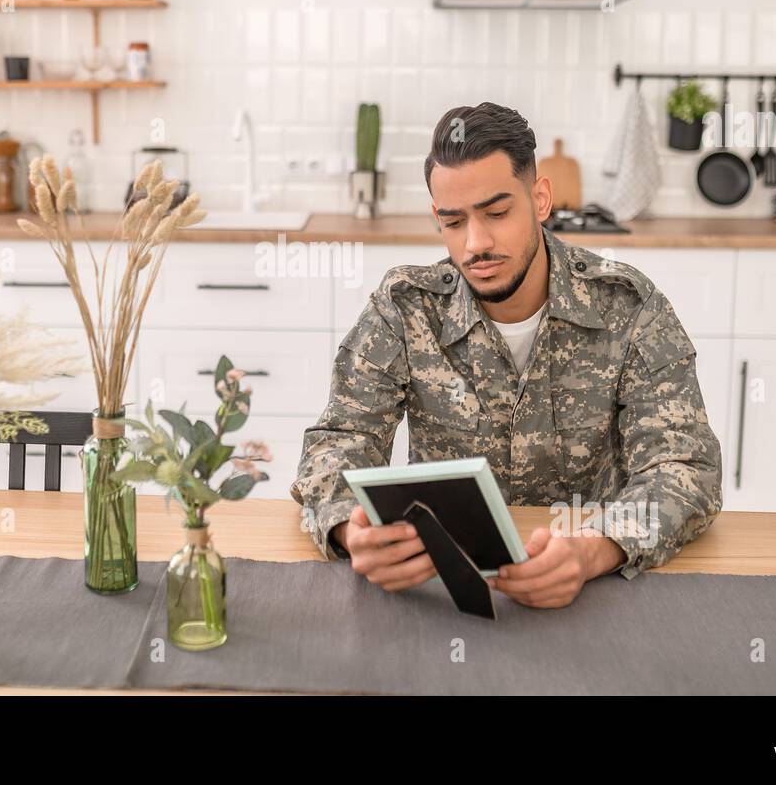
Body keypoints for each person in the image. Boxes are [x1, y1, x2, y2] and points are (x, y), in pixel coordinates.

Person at [291, 102, 722, 608]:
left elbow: (686, 466)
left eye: (497, 213)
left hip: (593, 590)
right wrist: (350, 530)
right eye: (454, 222)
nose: (476, 243)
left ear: (540, 198)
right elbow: (338, 443)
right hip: (442, 591)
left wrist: (593, 550)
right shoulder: (404, 309)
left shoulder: (628, 307)